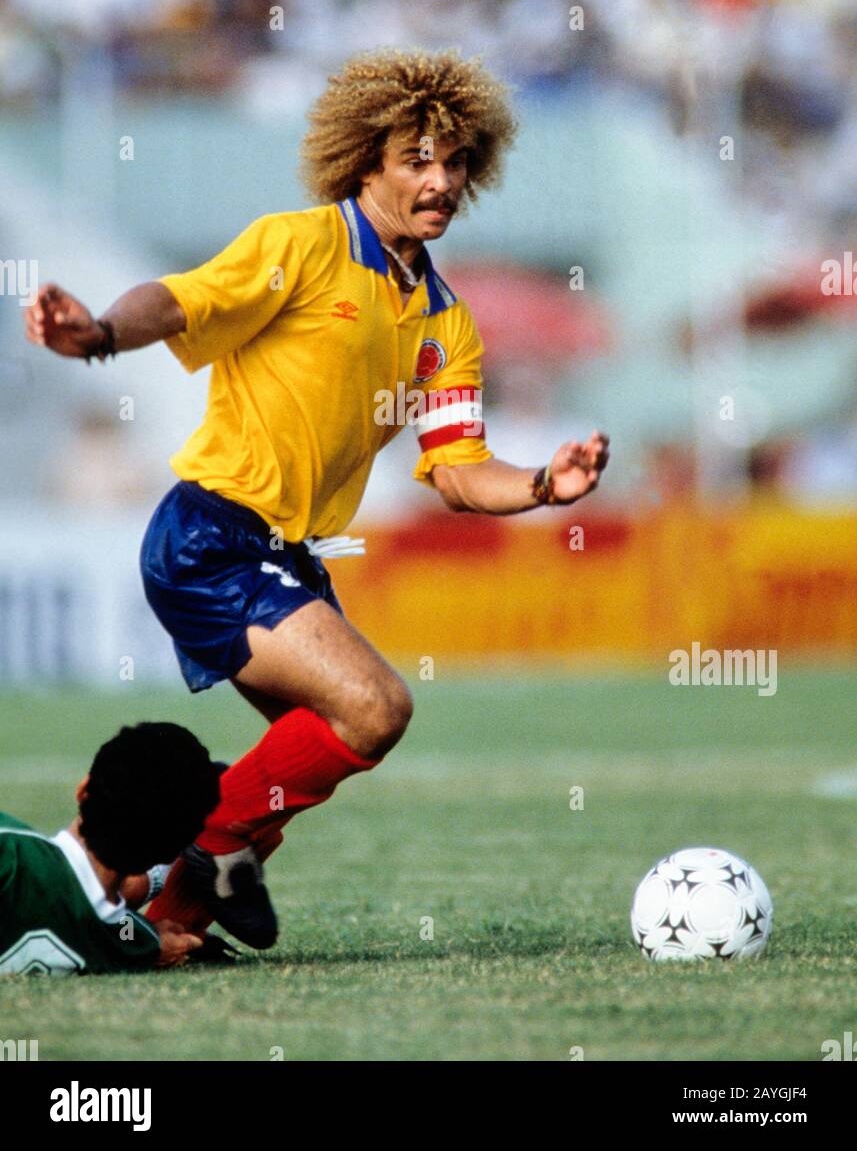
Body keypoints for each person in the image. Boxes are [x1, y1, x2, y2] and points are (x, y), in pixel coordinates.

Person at [25, 47, 610, 950]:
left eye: (455, 162)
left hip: (286, 555)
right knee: (374, 708)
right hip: (209, 534)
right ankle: (212, 842)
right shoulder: (299, 245)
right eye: (417, 158)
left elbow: (455, 469)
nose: (440, 180)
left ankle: (170, 926)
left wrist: (542, 484)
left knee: (316, 743)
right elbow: (177, 303)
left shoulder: (443, 319)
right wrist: (99, 332)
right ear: (365, 160)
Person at [0, 722, 221, 974]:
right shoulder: (131, 945)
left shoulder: (12, 853)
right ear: (172, 851)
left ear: (83, 790)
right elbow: (131, 933)